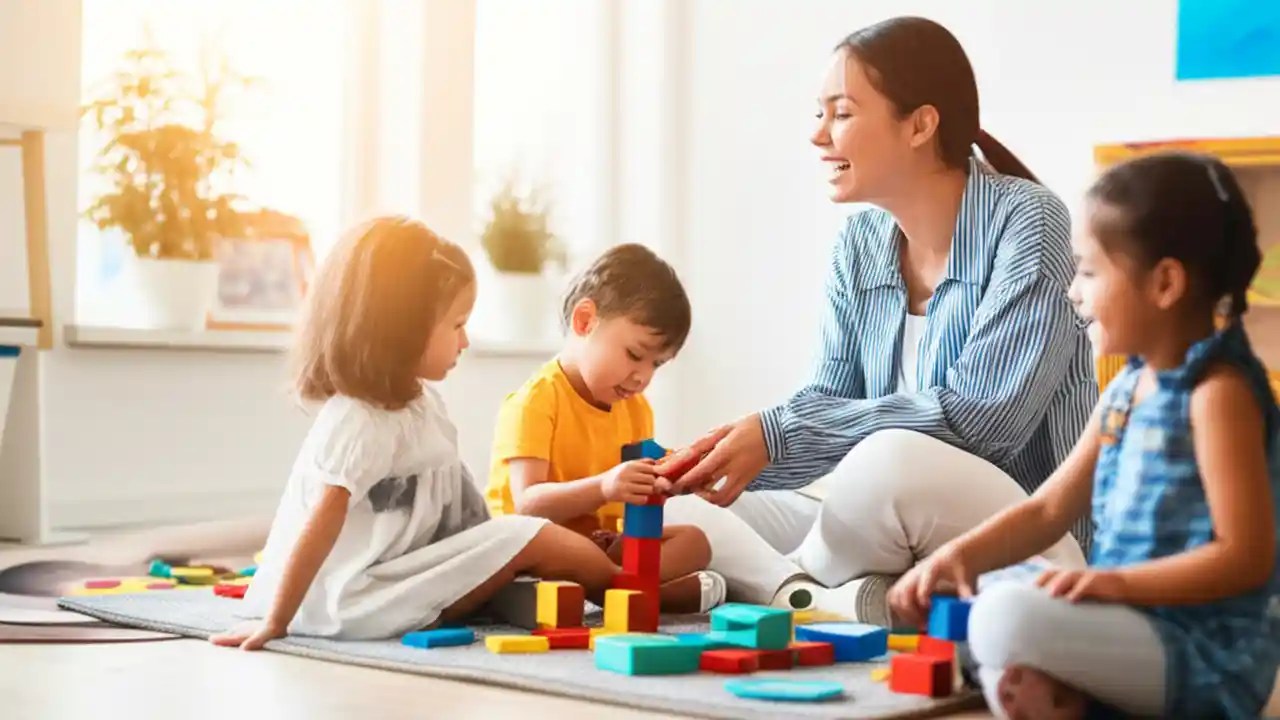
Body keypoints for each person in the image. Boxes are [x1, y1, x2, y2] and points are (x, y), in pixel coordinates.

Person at [662, 16, 1093, 622]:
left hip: (1029, 540)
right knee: (695, 510)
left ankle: (791, 591)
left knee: (888, 459)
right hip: (896, 526)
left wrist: (781, 430)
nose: (818, 136)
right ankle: (836, 597)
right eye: (820, 113)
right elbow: (830, 402)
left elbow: (986, 422)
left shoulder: (1028, 222)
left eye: (840, 113)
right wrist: (724, 459)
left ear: (920, 124)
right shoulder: (860, 243)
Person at [890, 153, 1280, 719]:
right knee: (984, 592)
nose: (1073, 291)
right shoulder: (1126, 389)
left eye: (1090, 272)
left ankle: (1060, 691)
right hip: (1128, 622)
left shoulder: (1216, 394)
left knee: (1006, 619)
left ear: (1165, 283)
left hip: (1198, 650)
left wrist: (1115, 585)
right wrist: (956, 558)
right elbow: (1048, 509)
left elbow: (1244, 558)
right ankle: (1066, 694)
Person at [210, 217, 630, 649]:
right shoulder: (360, 420)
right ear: (403, 328)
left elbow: (460, 503)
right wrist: (277, 620)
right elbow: (319, 522)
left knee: (522, 542)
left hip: (396, 577)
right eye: (457, 325)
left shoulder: (422, 406)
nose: (465, 341)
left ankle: (606, 582)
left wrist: (497, 548)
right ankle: (628, 590)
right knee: (532, 534)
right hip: (351, 599)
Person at [486, 244, 726, 613]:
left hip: (598, 544)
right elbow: (527, 504)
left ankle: (620, 590)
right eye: (634, 355)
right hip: (533, 544)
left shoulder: (635, 410)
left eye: (656, 365)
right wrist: (603, 487)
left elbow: (637, 495)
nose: (643, 376)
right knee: (565, 549)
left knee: (695, 542)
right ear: (585, 322)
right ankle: (637, 594)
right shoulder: (535, 401)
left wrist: (674, 476)